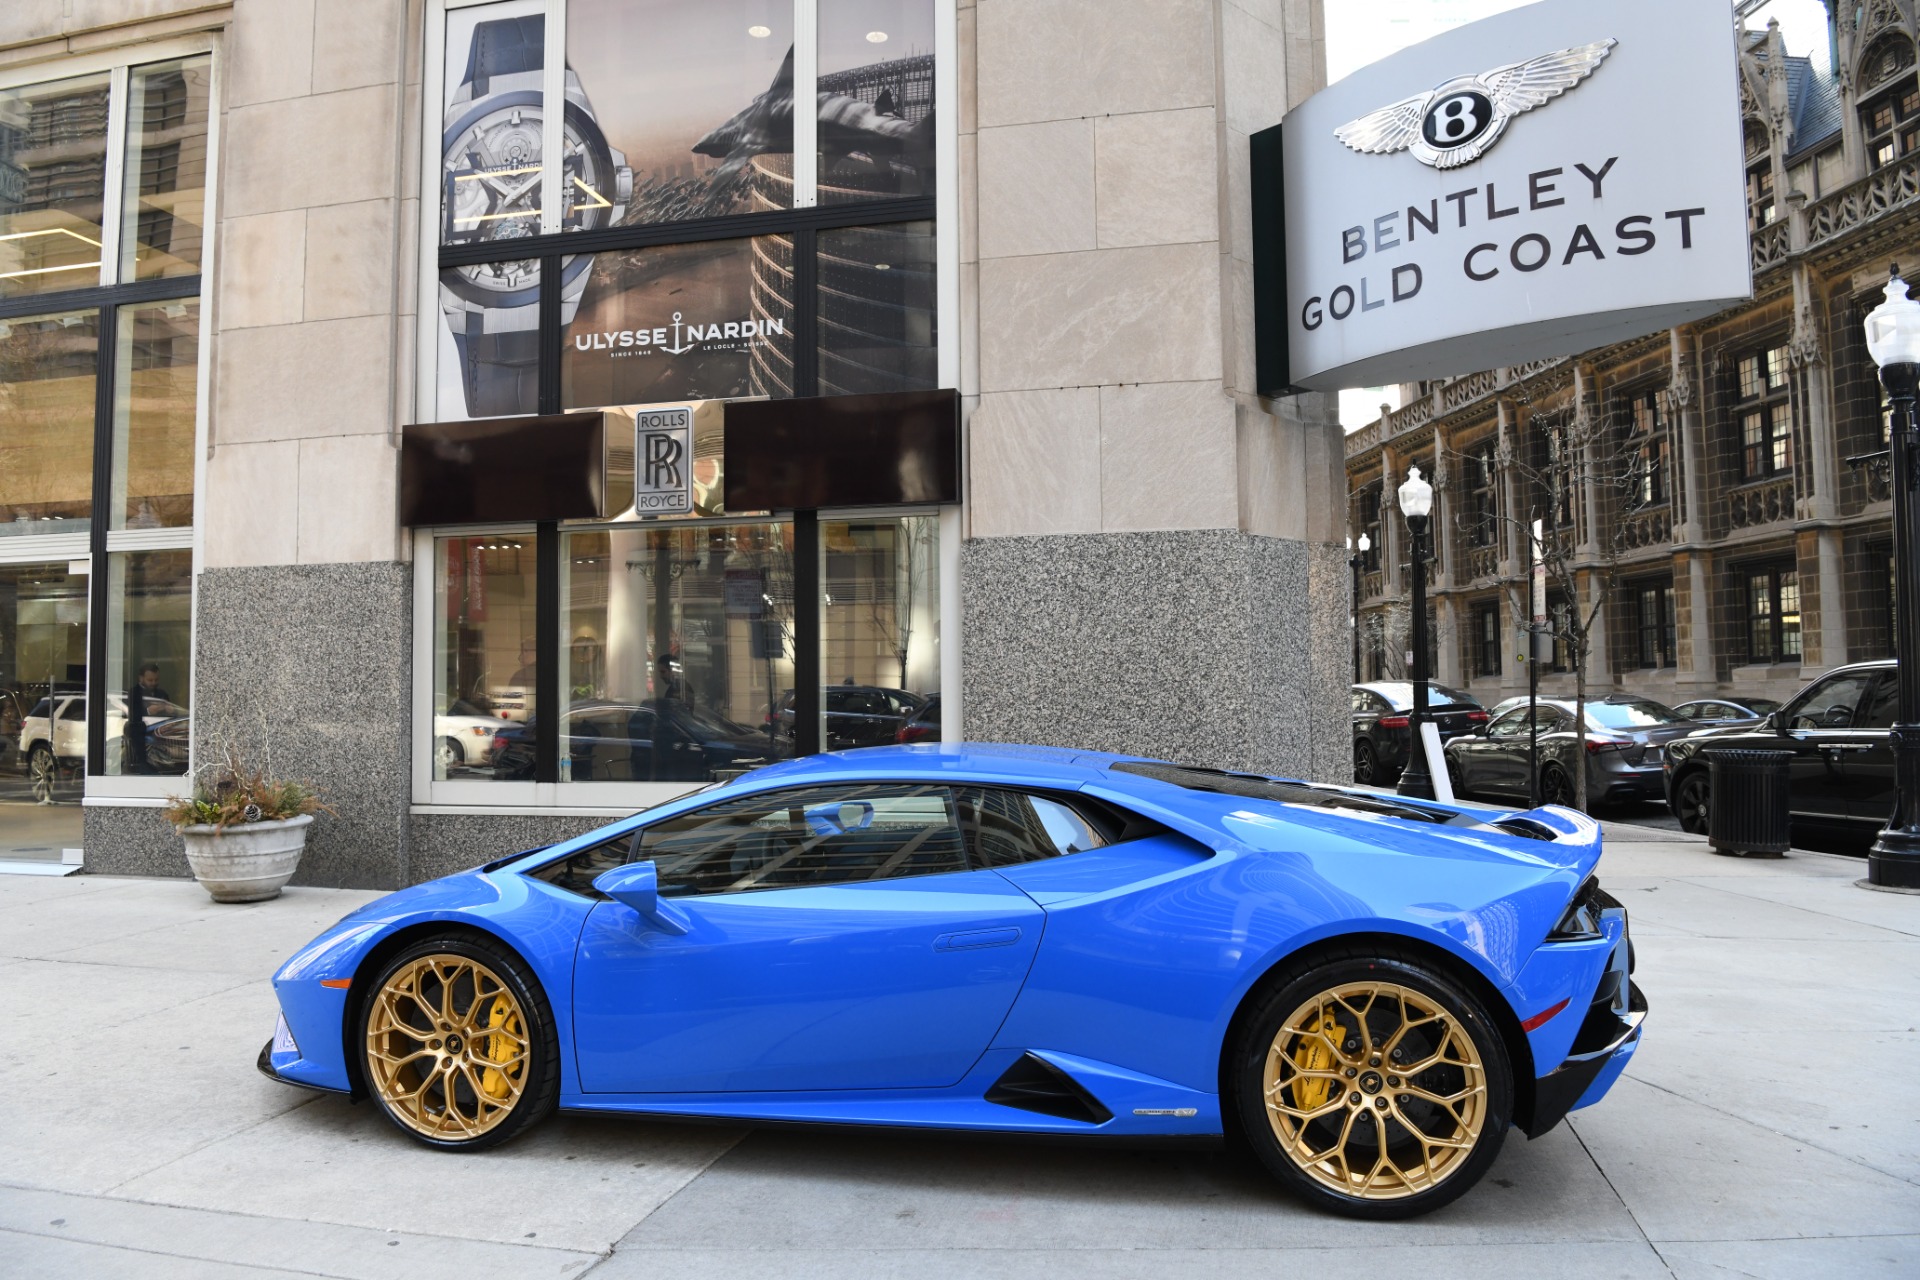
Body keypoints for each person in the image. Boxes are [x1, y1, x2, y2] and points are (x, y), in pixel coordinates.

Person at [125, 661, 170, 775]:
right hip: (141, 735)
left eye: (156, 680)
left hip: (160, 735)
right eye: (150, 680)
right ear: (141, 678)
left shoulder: (162, 694)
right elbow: (131, 714)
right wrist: (149, 711)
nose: (153, 683)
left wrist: (170, 710)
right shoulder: (133, 693)